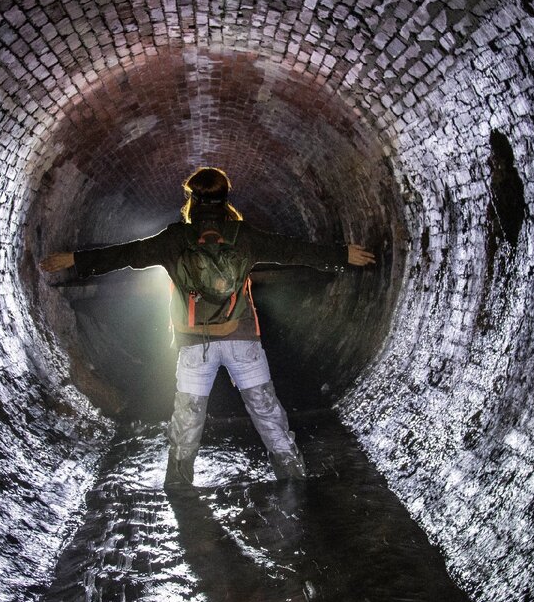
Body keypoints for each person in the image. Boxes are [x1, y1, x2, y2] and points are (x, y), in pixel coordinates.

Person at [40, 166, 376, 489]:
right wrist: (341, 254)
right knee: (265, 408)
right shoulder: (244, 236)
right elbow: (293, 251)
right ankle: (293, 476)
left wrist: (75, 259)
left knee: (188, 417)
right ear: (226, 199)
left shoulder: (175, 238)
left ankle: (179, 486)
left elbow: (128, 254)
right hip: (242, 336)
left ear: (193, 201)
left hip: (194, 343)